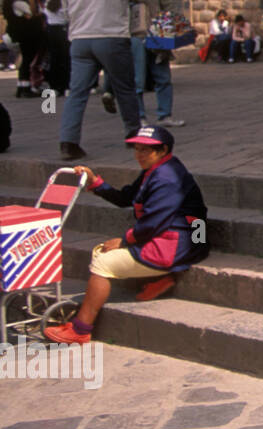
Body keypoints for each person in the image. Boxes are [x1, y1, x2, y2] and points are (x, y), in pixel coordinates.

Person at [44, 125, 209, 344]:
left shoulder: (166, 177)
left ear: (163, 150)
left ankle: (81, 328)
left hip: (182, 243)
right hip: (186, 238)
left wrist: (125, 240)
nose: (139, 155)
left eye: (145, 150)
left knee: (103, 261)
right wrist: (95, 182)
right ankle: (163, 277)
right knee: (102, 251)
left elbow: (154, 222)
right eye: (137, 149)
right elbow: (126, 198)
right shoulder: (158, 169)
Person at [56, 0, 153, 161]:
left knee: (77, 93)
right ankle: (132, 133)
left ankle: (68, 142)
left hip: (80, 40)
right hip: (110, 36)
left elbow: (65, 13)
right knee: (124, 88)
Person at [3, 0, 43, 99]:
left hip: (25, 34)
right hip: (24, 34)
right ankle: (25, 88)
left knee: (26, 60)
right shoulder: (17, 1)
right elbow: (32, 14)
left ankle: (22, 87)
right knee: (27, 60)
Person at [43, 0, 71, 96]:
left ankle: (54, 86)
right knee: (66, 59)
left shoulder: (49, 0)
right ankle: (66, 85)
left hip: (51, 31)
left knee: (55, 59)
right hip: (63, 30)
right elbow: (68, 16)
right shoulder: (66, 0)